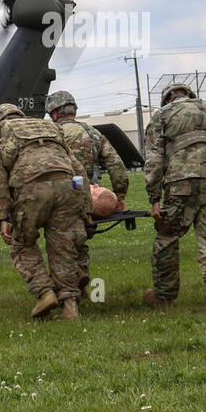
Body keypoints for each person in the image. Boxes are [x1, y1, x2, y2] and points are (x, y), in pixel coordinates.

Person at [0, 102, 93, 320]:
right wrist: (86, 206)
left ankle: (45, 293)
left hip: (31, 188)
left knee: (22, 244)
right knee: (63, 246)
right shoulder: (49, 127)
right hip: (67, 185)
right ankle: (70, 306)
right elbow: (78, 168)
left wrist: (2, 215)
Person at [143, 82, 206, 312]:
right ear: (190, 95)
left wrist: (154, 198)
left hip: (180, 185)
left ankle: (164, 297)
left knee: (167, 236)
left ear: (167, 100)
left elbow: (155, 159)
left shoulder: (162, 115)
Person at [45, 89, 130, 293]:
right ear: (73, 110)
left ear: (55, 113)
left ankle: (66, 288)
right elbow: (117, 167)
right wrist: (120, 198)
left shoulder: (49, 133)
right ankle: (81, 284)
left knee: (59, 243)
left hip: (58, 197)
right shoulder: (93, 133)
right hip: (89, 198)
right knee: (81, 242)